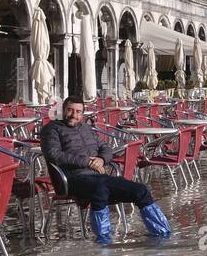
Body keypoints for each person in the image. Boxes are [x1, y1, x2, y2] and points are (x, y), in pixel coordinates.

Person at [41, 97, 170, 245]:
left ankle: (163, 237)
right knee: (100, 190)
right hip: (72, 179)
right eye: (69, 110)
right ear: (63, 110)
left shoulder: (87, 129)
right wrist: (88, 162)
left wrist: (101, 160)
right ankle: (103, 243)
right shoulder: (51, 129)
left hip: (99, 176)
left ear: (82, 114)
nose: (73, 115)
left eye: (78, 111)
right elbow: (54, 154)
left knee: (141, 190)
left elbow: (106, 148)